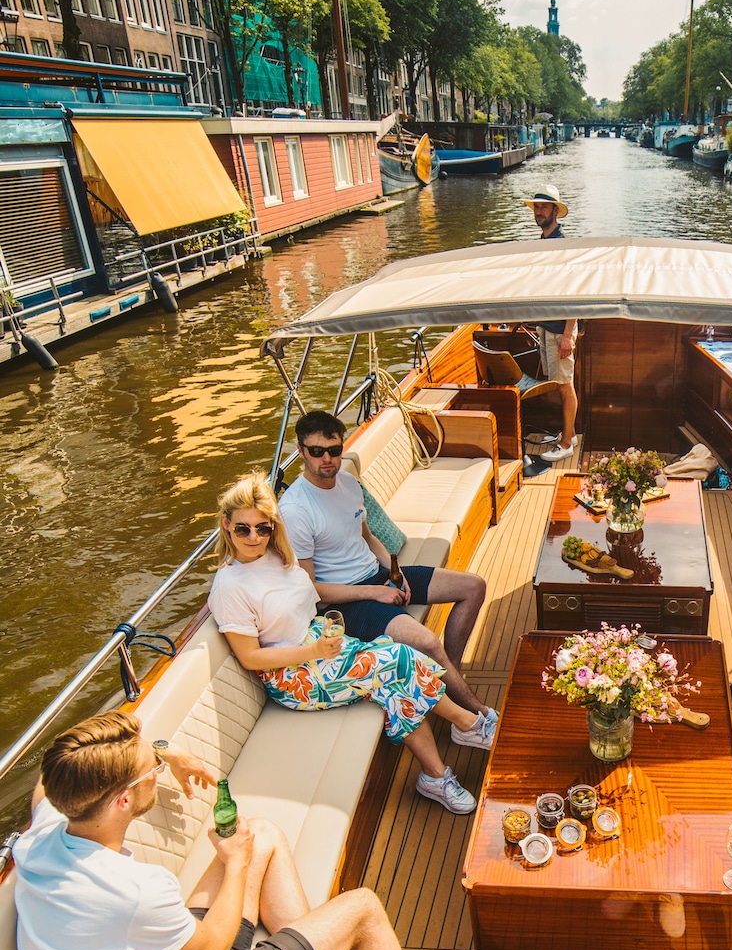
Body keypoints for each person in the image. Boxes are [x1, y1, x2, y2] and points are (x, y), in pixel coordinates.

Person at [12, 710, 500, 950]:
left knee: (260, 831)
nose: (160, 773)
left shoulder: (44, 833)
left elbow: (45, 777)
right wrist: (236, 864)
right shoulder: (133, 890)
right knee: (363, 908)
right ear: (122, 800)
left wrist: (167, 752)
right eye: (153, 772)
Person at [210, 473, 483, 815]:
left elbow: (311, 598)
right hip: (292, 676)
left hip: (319, 643)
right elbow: (250, 657)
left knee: (397, 676)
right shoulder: (229, 586)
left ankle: (436, 776)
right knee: (397, 660)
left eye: (262, 528)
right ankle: (469, 724)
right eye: (243, 529)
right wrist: (312, 652)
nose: (254, 537)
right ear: (226, 526)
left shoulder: (279, 557)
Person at [278, 409, 496, 750]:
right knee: (427, 643)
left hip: (378, 577)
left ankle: (447, 677)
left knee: (473, 586)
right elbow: (312, 591)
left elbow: (368, 538)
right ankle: (473, 714)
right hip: (347, 602)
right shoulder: (295, 509)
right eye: (316, 451)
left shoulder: (349, 484)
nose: (326, 459)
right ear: (301, 450)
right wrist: (375, 593)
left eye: (334, 450)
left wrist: (395, 573)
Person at [524, 183, 577, 462]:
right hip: (547, 325)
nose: (538, 211)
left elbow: (574, 292)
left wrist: (569, 333)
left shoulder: (562, 245)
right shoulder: (545, 242)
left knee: (565, 384)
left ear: (555, 211)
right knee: (558, 382)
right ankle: (569, 432)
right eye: (536, 207)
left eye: (543, 207)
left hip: (560, 329)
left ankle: (567, 443)